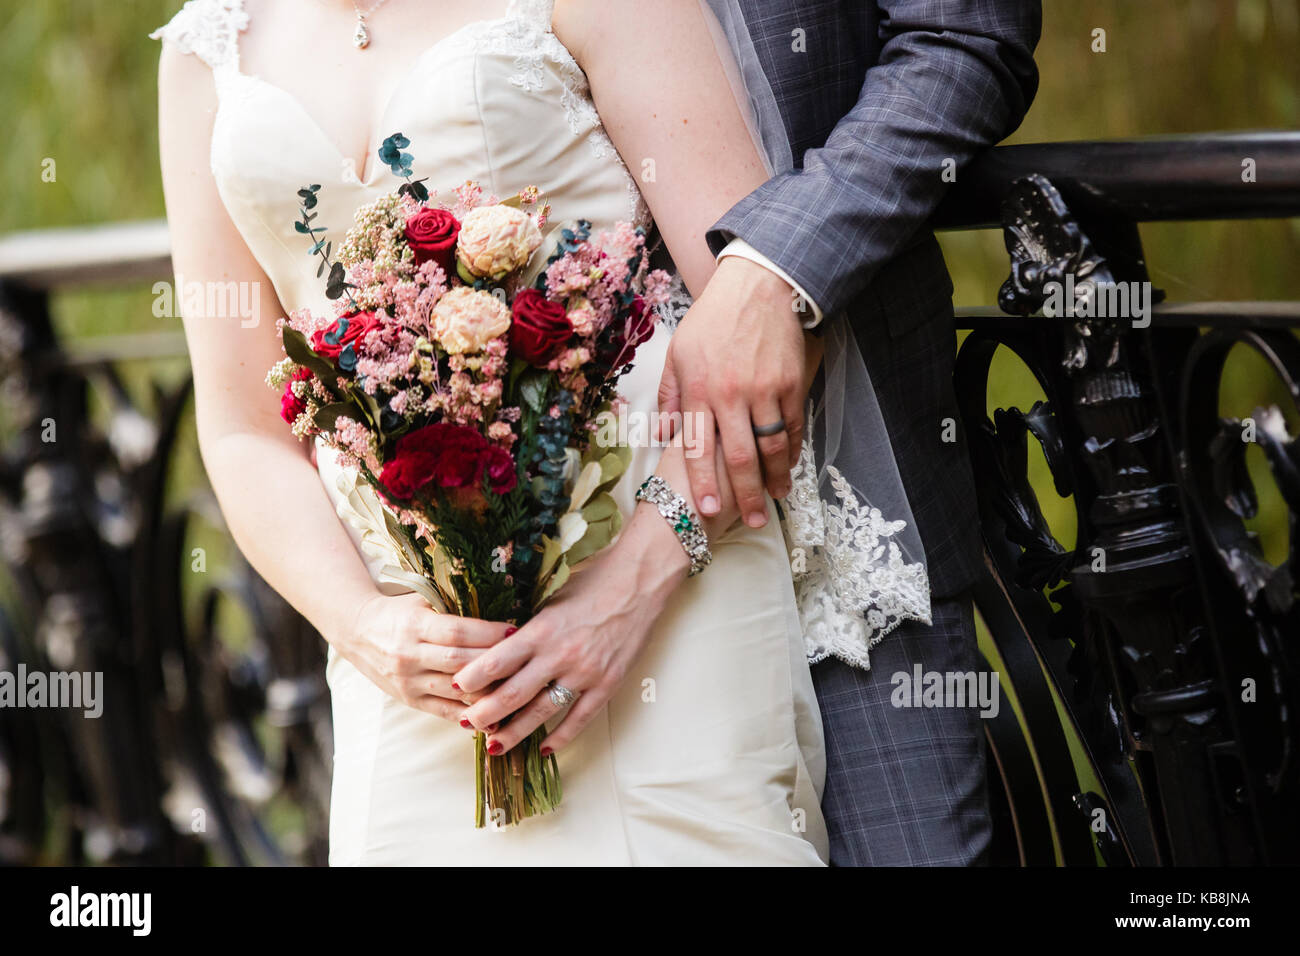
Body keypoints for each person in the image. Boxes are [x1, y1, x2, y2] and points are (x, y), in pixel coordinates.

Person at [154, 0, 828, 865]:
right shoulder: (208, 49)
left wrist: (630, 590)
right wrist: (366, 628)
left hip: (666, 588)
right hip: (416, 670)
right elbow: (244, 429)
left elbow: (760, 325)